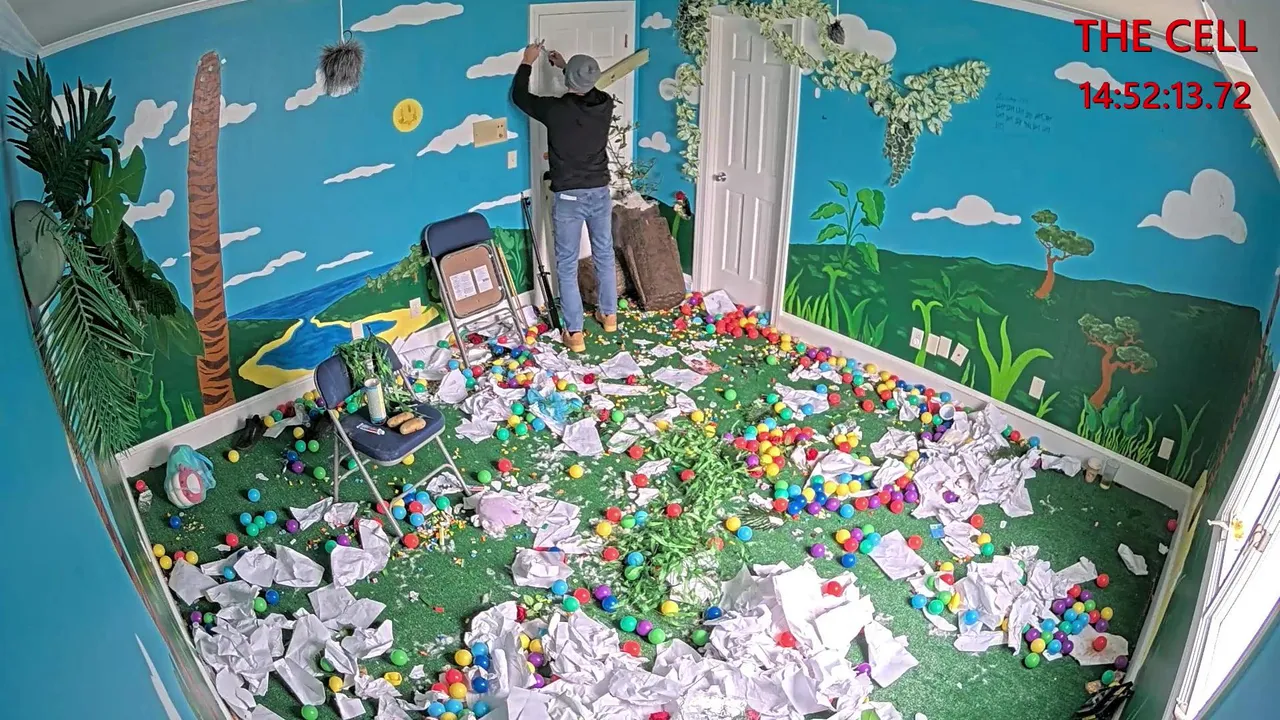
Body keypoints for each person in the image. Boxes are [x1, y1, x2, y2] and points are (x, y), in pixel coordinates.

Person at [511, 42, 617, 353]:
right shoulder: (605, 104)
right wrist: (566, 66)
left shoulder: (555, 109)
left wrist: (527, 62)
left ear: (569, 80)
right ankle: (609, 315)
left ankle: (575, 333)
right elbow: (588, 89)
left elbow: (520, 97)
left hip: (569, 197)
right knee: (604, 254)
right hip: (600, 192)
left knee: (567, 265)